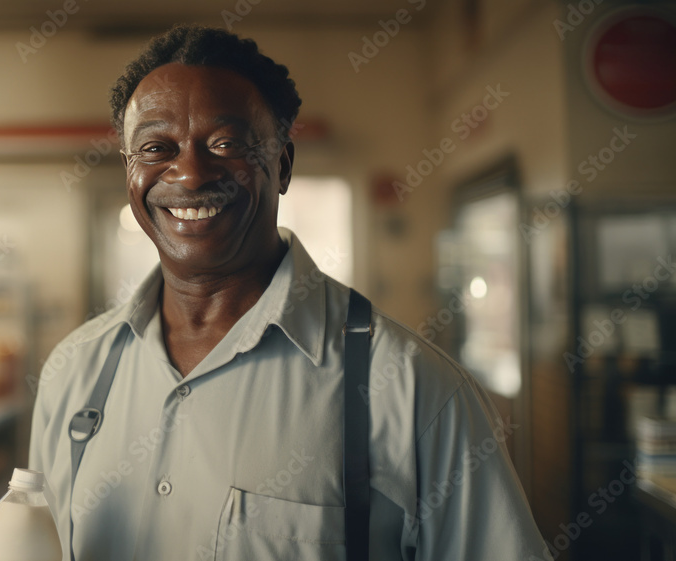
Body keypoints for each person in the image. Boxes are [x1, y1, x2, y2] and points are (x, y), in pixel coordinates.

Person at [29, 23, 550, 561]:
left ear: (282, 164)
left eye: (225, 143)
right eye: (157, 147)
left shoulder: (411, 388)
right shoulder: (74, 371)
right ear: (129, 172)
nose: (188, 173)